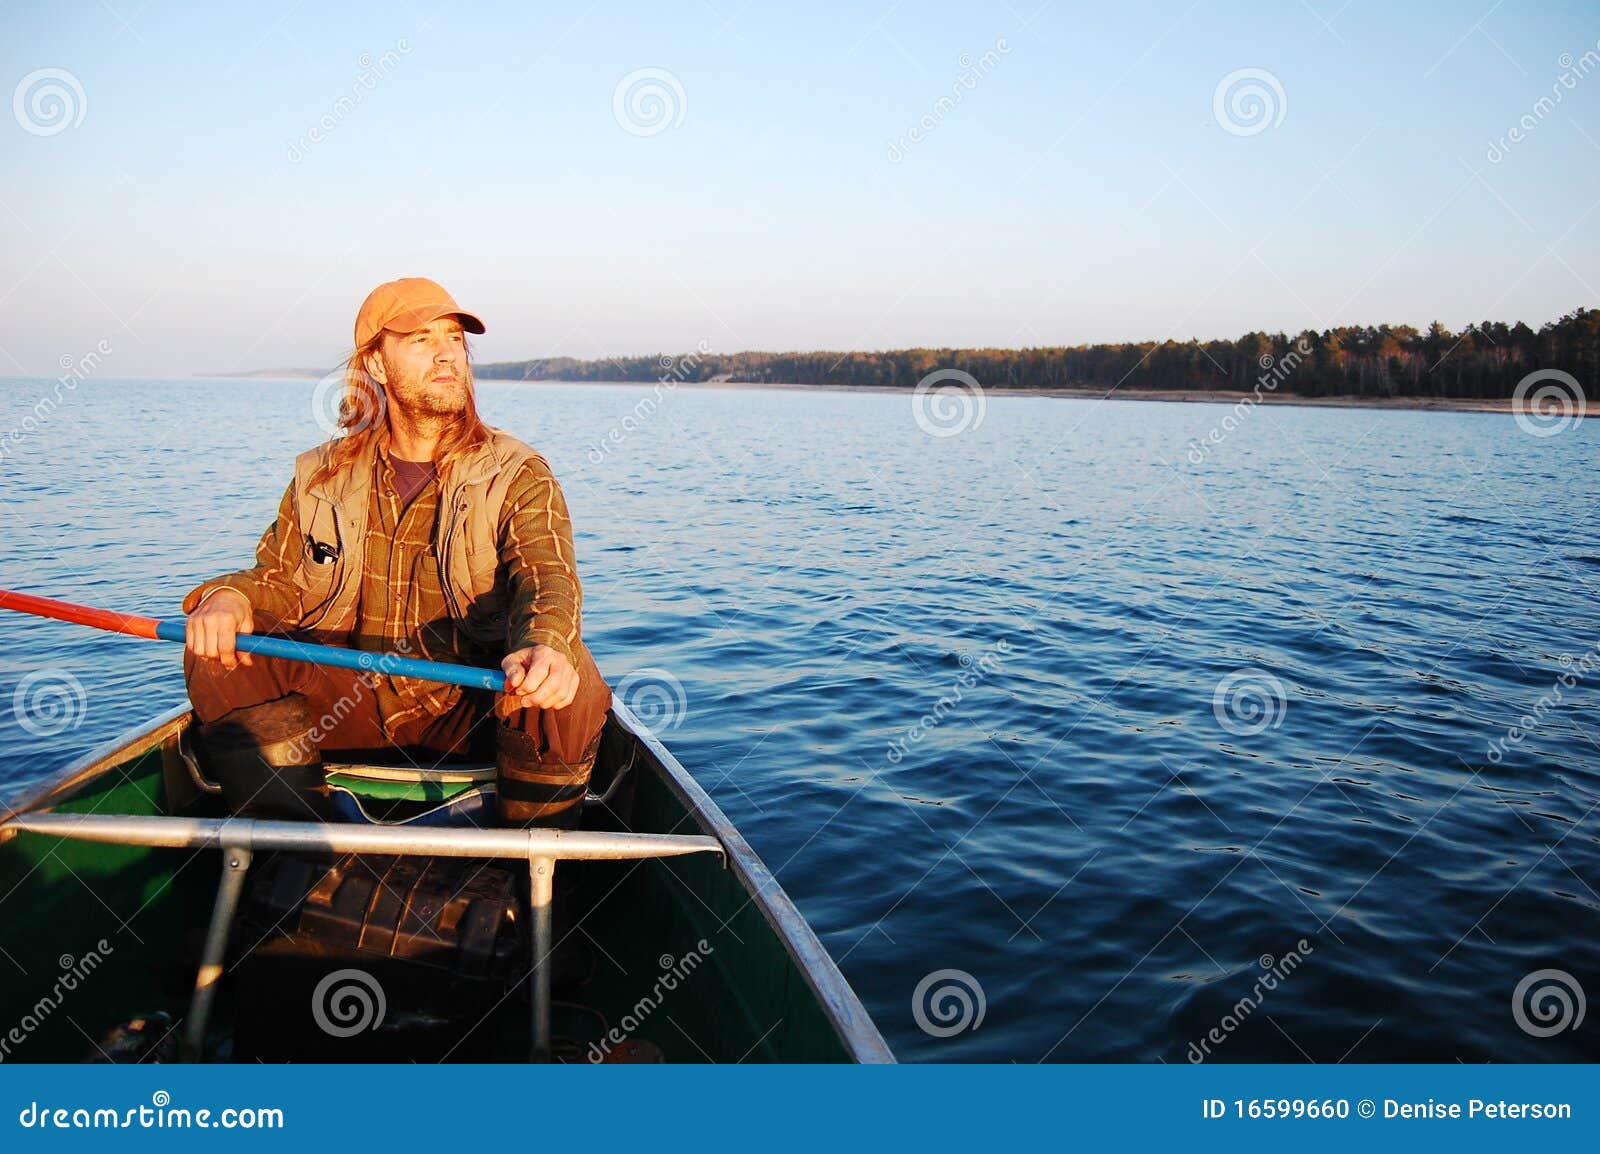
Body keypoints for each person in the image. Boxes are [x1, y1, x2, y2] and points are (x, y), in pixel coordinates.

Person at [181, 276, 611, 828]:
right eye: (421, 340)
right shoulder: (321, 476)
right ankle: (292, 855)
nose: (446, 355)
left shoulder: (516, 472)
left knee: (564, 673)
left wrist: (546, 646)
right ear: (377, 365)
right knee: (217, 651)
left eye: (454, 339)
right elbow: (281, 580)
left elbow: (547, 579)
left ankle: (536, 876)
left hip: (474, 709)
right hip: (350, 703)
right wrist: (228, 598)